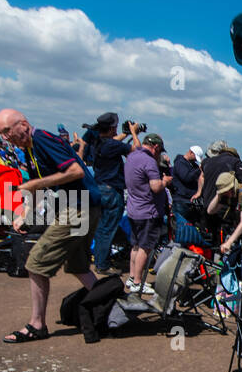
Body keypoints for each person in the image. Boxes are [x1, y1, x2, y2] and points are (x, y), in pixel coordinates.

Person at [0, 107, 101, 343]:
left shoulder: (42, 139)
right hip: (82, 206)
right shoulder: (29, 149)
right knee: (79, 265)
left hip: (79, 207)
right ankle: (113, 309)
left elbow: (74, 171)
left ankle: (37, 325)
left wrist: (35, 185)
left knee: (36, 262)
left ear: (23, 124)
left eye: (6, 131)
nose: (5, 137)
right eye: (1, 134)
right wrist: (27, 213)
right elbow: (40, 186)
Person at [81, 114, 136, 275]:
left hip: (99, 188)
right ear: (112, 128)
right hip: (112, 190)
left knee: (101, 228)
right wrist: (133, 133)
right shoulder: (112, 145)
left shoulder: (98, 142)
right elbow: (136, 150)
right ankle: (102, 264)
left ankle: (99, 260)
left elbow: (114, 142)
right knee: (108, 229)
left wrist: (125, 133)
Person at [123, 133, 171, 298]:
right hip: (147, 211)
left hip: (133, 208)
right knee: (145, 246)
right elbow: (156, 187)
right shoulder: (149, 161)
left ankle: (131, 278)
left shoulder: (131, 156)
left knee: (135, 246)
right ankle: (138, 282)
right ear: (156, 147)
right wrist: (165, 181)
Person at [170, 144, 203, 236]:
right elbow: (186, 177)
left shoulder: (193, 165)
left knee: (190, 227)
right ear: (190, 152)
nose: (196, 160)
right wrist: (199, 170)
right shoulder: (180, 163)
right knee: (180, 227)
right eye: (195, 157)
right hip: (181, 200)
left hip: (190, 201)